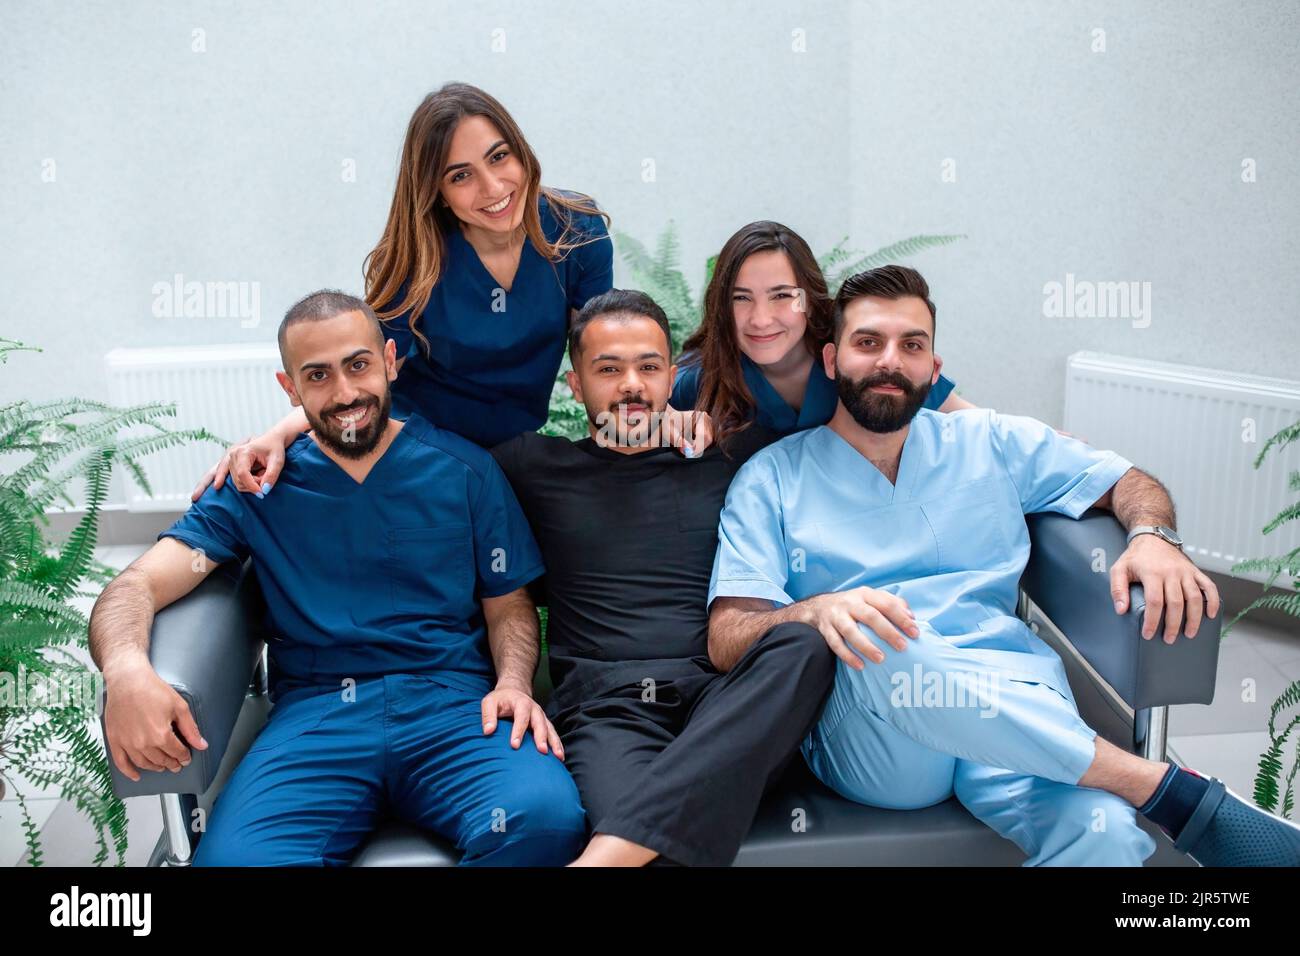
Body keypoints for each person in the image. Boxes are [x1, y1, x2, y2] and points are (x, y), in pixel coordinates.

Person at [707, 264, 1300, 866]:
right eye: (868, 343)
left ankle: (1144, 794)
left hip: (1011, 707)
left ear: (933, 370)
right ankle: (1162, 789)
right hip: (880, 741)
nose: (890, 361)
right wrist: (818, 611)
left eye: (912, 345)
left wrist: (1154, 536)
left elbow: (1126, 480)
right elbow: (727, 637)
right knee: (876, 626)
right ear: (832, 361)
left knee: (1106, 834)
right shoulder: (772, 478)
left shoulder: (989, 442)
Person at [91, 290, 585, 866]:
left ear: (390, 361)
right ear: (290, 390)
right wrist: (125, 671)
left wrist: (515, 685)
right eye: (318, 376)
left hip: (453, 707)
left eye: (358, 365)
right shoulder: (257, 488)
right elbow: (136, 586)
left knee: (544, 822)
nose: (346, 393)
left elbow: (509, 604)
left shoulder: (465, 471)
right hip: (317, 718)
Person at [192, 82, 708, 501]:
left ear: (521, 151)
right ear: (435, 191)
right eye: (461, 175)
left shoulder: (577, 231)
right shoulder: (414, 262)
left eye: (499, 156)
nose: (493, 188)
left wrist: (659, 414)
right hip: (421, 447)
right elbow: (363, 374)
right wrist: (277, 434)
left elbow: (603, 351)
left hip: (516, 447)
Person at [490, 289, 837, 866]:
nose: (631, 384)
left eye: (648, 367)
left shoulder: (730, 457)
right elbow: (411, 434)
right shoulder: (531, 466)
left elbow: (849, 413)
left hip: (724, 704)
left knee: (803, 641)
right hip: (608, 711)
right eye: (609, 369)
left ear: (671, 376)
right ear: (576, 387)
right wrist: (294, 423)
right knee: (654, 845)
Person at [671, 221, 974, 454]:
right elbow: (628, 426)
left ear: (809, 299)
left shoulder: (862, 356)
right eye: (740, 298)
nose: (761, 319)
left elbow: (973, 426)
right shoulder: (703, 377)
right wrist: (668, 423)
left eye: (782, 296)